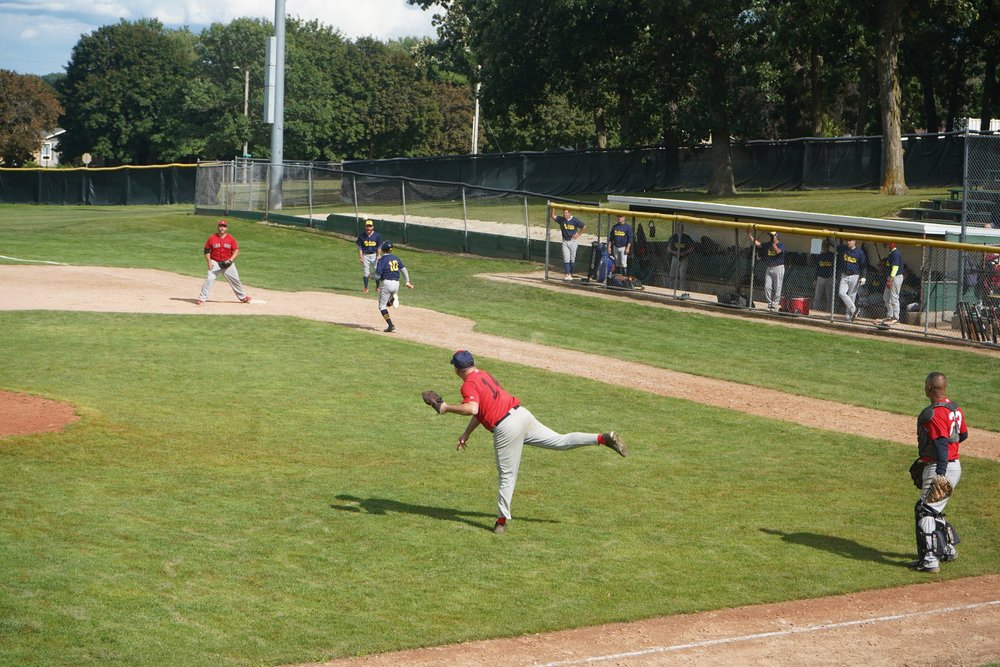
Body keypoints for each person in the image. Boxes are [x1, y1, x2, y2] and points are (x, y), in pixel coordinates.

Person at [435, 350, 628, 534]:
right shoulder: (484, 374)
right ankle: (602, 438)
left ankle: (501, 522)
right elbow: (483, 409)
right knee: (559, 440)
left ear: (457, 369)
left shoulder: (467, 385)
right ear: (473, 363)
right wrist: (466, 433)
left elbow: (472, 409)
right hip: (522, 414)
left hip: (507, 428)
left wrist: (445, 407)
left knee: (507, 476)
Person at [911, 372, 967, 573]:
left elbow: (941, 444)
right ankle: (948, 550)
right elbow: (963, 434)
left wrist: (940, 473)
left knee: (925, 510)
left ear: (929, 388)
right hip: (955, 465)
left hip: (941, 467)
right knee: (934, 508)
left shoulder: (934, 414)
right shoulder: (954, 408)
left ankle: (930, 560)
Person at [196, 220, 252, 305]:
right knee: (210, 279)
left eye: (224, 226)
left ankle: (243, 297)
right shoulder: (212, 238)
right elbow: (206, 251)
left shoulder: (231, 239)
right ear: (218, 227)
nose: (222, 228)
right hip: (215, 262)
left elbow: (236, 251)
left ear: (226, 228)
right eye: (221, 226)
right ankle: (202, 298)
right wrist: (209, 261)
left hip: (227, 263)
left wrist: (231, 260)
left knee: (236, 280)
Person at [374, 241, 412, 333]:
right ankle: (392, 299)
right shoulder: (396, 258)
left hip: (387, 283)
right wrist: (407, 282)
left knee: (382, 307)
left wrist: (370, 276)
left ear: (383, 249)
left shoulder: (382, 260)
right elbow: (404, 270)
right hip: (396, 284)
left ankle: (391, 326)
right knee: (387, 304)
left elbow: (377, 275)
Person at [750, 230, 784, 310]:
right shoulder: (768, 244)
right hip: (769, 268)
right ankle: (770, 303)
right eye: (770, 236)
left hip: (778, 268)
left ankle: (775, 305)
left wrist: (773, 243)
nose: (770, 237)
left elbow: (778, 251)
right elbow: (758, 244)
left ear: (776, 236)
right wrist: (750, 236)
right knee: (767, 286)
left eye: (772, 236)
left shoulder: (780, 245)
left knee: (777, 287)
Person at [551, 208, 587, 280]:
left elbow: (584, 226)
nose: (565, 215)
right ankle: (567, 274)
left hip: (573, 241)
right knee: (566, 259)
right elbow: (552, 216)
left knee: (572, 259)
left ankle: (570, 273)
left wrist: (579, 234)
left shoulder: (574, 220)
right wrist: (553, 207)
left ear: (570, 213)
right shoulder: (562, 220)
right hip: (565, 241)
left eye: (566, 213)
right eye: (564, 213)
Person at [836, 238, 867, 321]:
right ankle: (854, 310)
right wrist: (828, 235)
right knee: (841, 293)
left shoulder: (859, 252)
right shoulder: (844, 249)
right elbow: (833, 244)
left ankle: (849, 315)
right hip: (844, 275)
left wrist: (864, 277)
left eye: (850, 240)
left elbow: (864, 265)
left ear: (854, 242)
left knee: (852, 296)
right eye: (847, 240)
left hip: (855, 275)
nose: (848, 242)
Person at [880, 241, 904, 326]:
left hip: (895, 277)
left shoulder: (895, 253)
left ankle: (896, 318)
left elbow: (895, 268)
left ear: (891, 244)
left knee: (894, 298)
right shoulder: (891, 253)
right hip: (891, 277)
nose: (885, 245)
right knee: (886, 297)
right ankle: (890, 316)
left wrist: (891, 278)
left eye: (887, 244)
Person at [356, 219, 382, 293]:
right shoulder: (362, 236)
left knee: (377, 271)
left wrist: (379, 255)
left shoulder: (377, 235)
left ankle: (377, 287)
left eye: (370, 226)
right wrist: (361, 257)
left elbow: (379, 246)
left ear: (373, 227)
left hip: (374, 255)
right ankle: (366, 288)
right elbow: (360, 248)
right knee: (366, 272)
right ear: (365, 227)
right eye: (367, 226)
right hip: (365, 256)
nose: (368, 228)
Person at [812, 238, 836, 312]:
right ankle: (815, 310)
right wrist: (815, 279)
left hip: (829, 278)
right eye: (824, 246)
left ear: (829, 247)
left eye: (826, 246)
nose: (825, 247)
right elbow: (817, 268)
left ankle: (829, 312)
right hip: (820, 278)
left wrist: (835, 277)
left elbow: (836, 267)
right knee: (817, 296)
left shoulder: (832, 255)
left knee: (829, 297)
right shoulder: (820, 256)